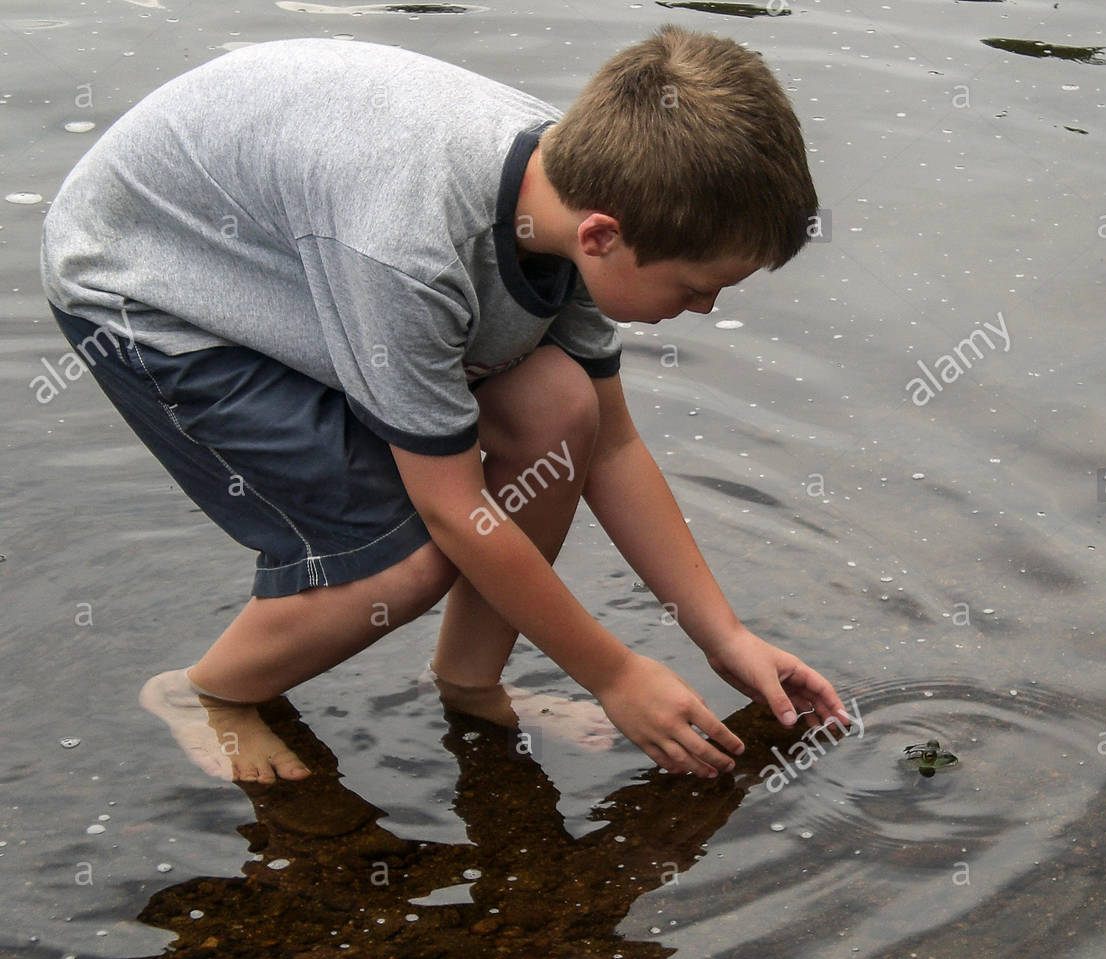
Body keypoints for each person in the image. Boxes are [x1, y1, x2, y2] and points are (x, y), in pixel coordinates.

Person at [40, 24, 848, 785]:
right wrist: (614, 672)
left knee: (562, 411)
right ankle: (208, 690)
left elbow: (611, 450)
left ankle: (469, 684)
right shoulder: (412, 252)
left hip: (298, 246)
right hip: (148, 281)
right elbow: (458, 514)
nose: (703, 308)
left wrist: (724, 637)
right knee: (404, 552)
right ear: (602, 235)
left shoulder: (586, 191)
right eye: (696, 287)